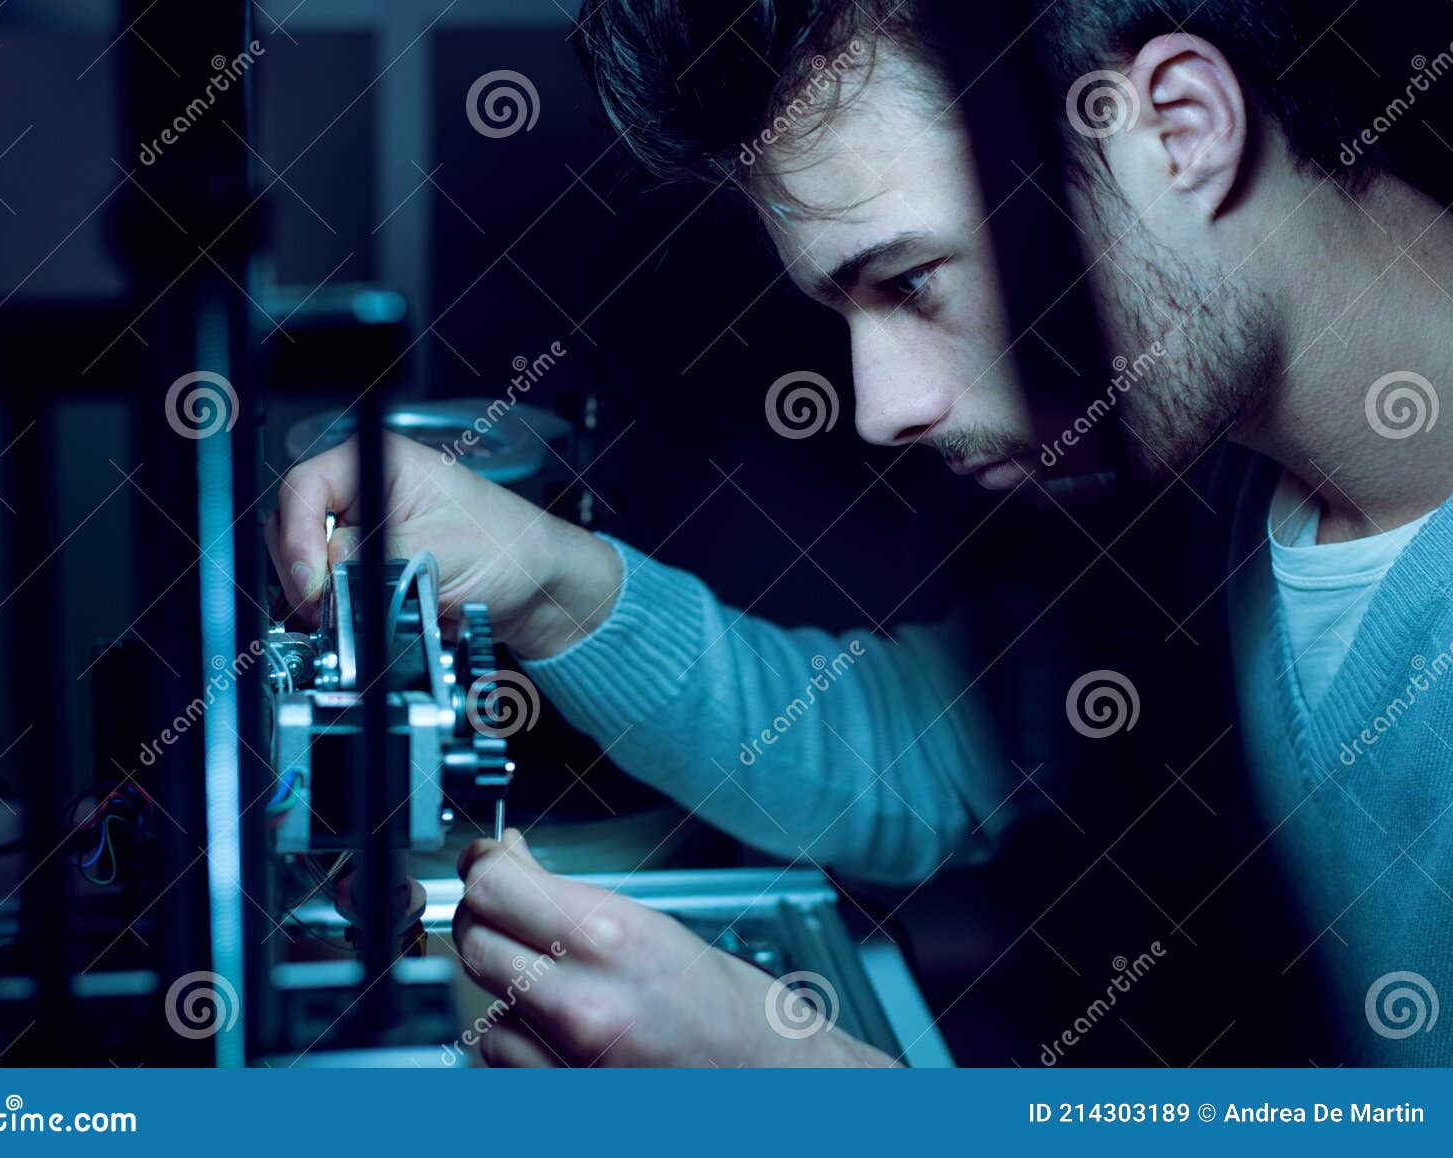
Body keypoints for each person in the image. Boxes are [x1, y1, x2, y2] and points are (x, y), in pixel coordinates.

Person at [266, 0, 1453, 1066]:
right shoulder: (1221, 474)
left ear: (1181, 127)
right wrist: (549, 583)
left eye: (914, 282)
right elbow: (927, 759)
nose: (886, 407)